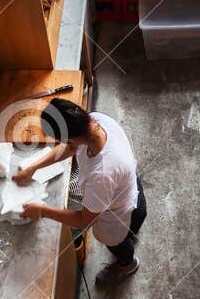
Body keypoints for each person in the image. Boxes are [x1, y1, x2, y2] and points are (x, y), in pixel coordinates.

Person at [16, 100, 145, 287]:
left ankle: (127, 264)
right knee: (127, 234)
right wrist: (34, 167)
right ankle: (129, 237)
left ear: (71, 138)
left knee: (118, 245)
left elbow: (85, 220)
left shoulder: (101, 175)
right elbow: (70, 148)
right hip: (130, 187)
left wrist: (42, 211)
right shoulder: (96, 121)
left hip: (122, 213)